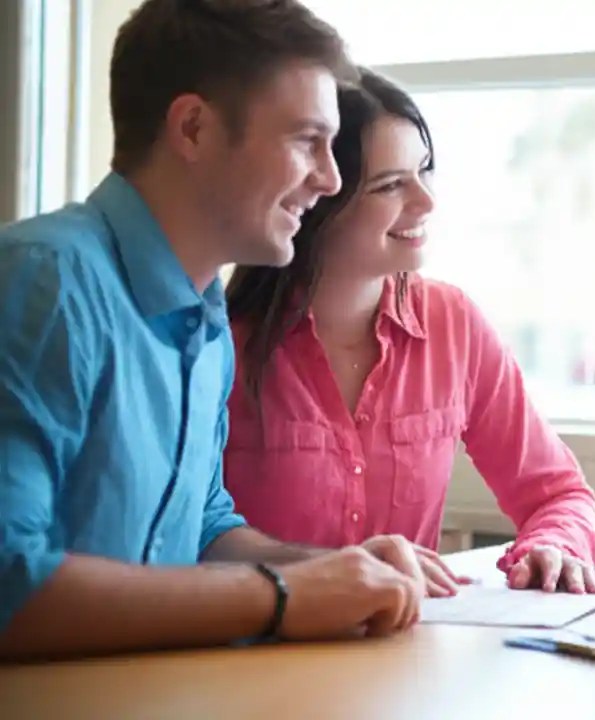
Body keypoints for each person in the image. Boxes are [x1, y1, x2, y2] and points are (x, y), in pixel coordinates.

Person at [0, 0, 437, 661]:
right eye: (306, 140)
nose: (331, 178)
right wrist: (283, 596)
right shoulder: (46, 281)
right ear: (195, 129)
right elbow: (8, 578)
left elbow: (203, 532)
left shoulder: (206, 324)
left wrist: (333, 568)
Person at [222, 68, 595, 596]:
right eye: (390, 185)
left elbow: (559, 493)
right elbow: (194, 539)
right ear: (320, 200)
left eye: (425, 171)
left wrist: (556, 545)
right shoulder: (222, 345)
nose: (425, 201)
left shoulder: (453, 325)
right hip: (255, 659)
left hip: (409, 656)